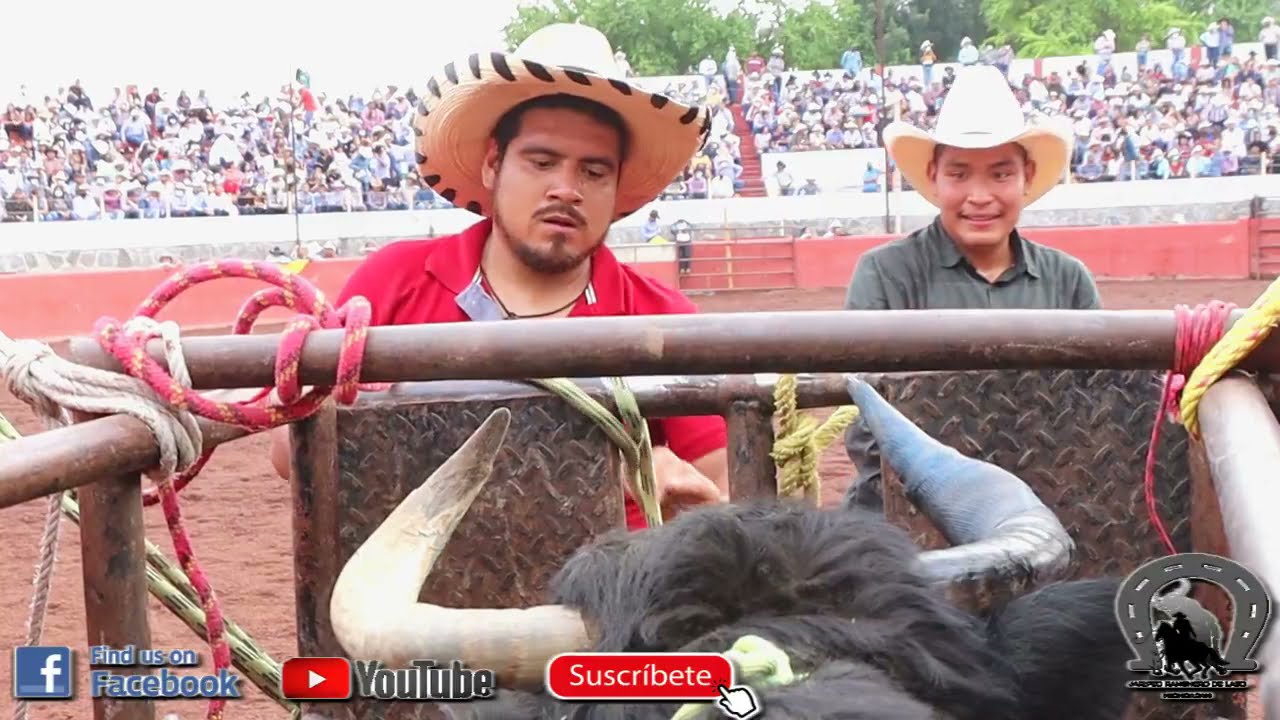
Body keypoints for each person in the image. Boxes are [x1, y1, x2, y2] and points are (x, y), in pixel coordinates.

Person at [267, 23, 728, 529]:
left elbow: (723, 487)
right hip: (419, 591)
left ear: (616, 189)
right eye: (542, 162)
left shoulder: (664, 318)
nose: (566, 189)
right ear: (493, 164)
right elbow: (292, 453)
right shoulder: (393, 280)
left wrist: (680, 488)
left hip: (608, 594)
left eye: (593, 172)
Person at [840, 65, 1102, 511]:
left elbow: (1098, 411)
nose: (979, 196)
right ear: (934, 176)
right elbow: (867, 427)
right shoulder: (884, 274)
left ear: (1027, 176)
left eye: (1000, 175)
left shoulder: (1069, 278)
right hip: (907, 505)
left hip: (1046, 503)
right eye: (959, 175)